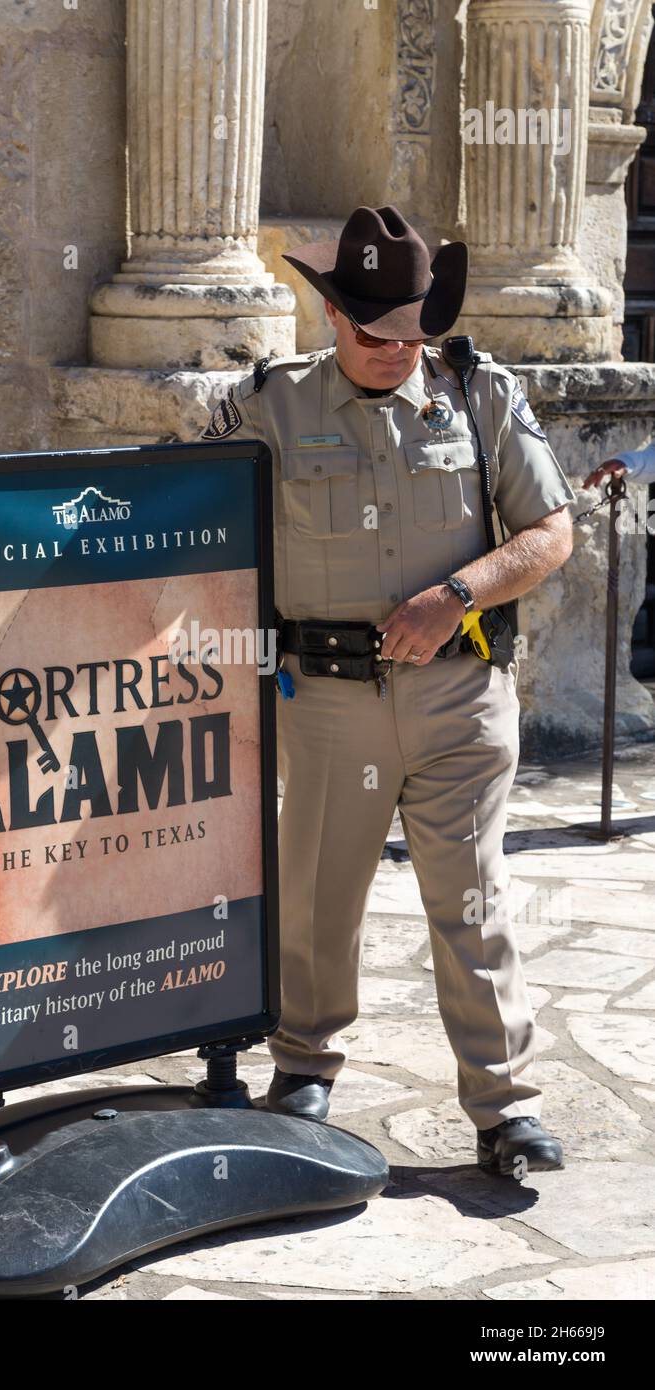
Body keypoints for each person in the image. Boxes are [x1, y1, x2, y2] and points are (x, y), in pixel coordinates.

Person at [198, 205, 575, 1177]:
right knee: (318, 896)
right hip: (326, 700)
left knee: (474, 900)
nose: (395, 350)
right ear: (332, 316)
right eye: (374, 333)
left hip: (459, 695)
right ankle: (304, 1064)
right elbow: (196, 526)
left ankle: (503, 1105)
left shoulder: (479, 393)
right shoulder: (268, 407)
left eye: (412, 333)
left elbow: (549, 533)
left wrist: (458, 595)